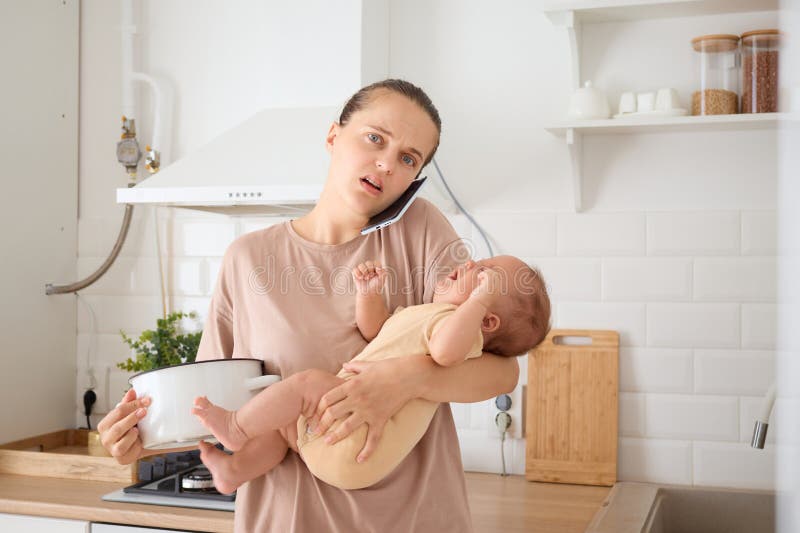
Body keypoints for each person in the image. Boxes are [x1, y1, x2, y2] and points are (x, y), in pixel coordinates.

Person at [97, 78, 523, 533]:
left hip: (416, 518)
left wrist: (402, 380)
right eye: (375, 138)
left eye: (407, 159)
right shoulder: (249, 259)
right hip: (287, 519)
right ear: (333, 136)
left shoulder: (420, 231)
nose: (385, 163)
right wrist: (135, 439)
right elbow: (210, 407)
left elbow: (503, 373)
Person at [191, 254, 550, 494]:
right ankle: (234, 472)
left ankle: (237, 428)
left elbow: (444, 353)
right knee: (284, 428)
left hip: (359, 440)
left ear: (487, 320)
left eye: (485, 275)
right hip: (338, 437)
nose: (470, 263)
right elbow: (376, 330)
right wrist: (369, 294)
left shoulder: (460, 331)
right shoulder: (427, 314)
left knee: (306, 383)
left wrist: (478, 301)